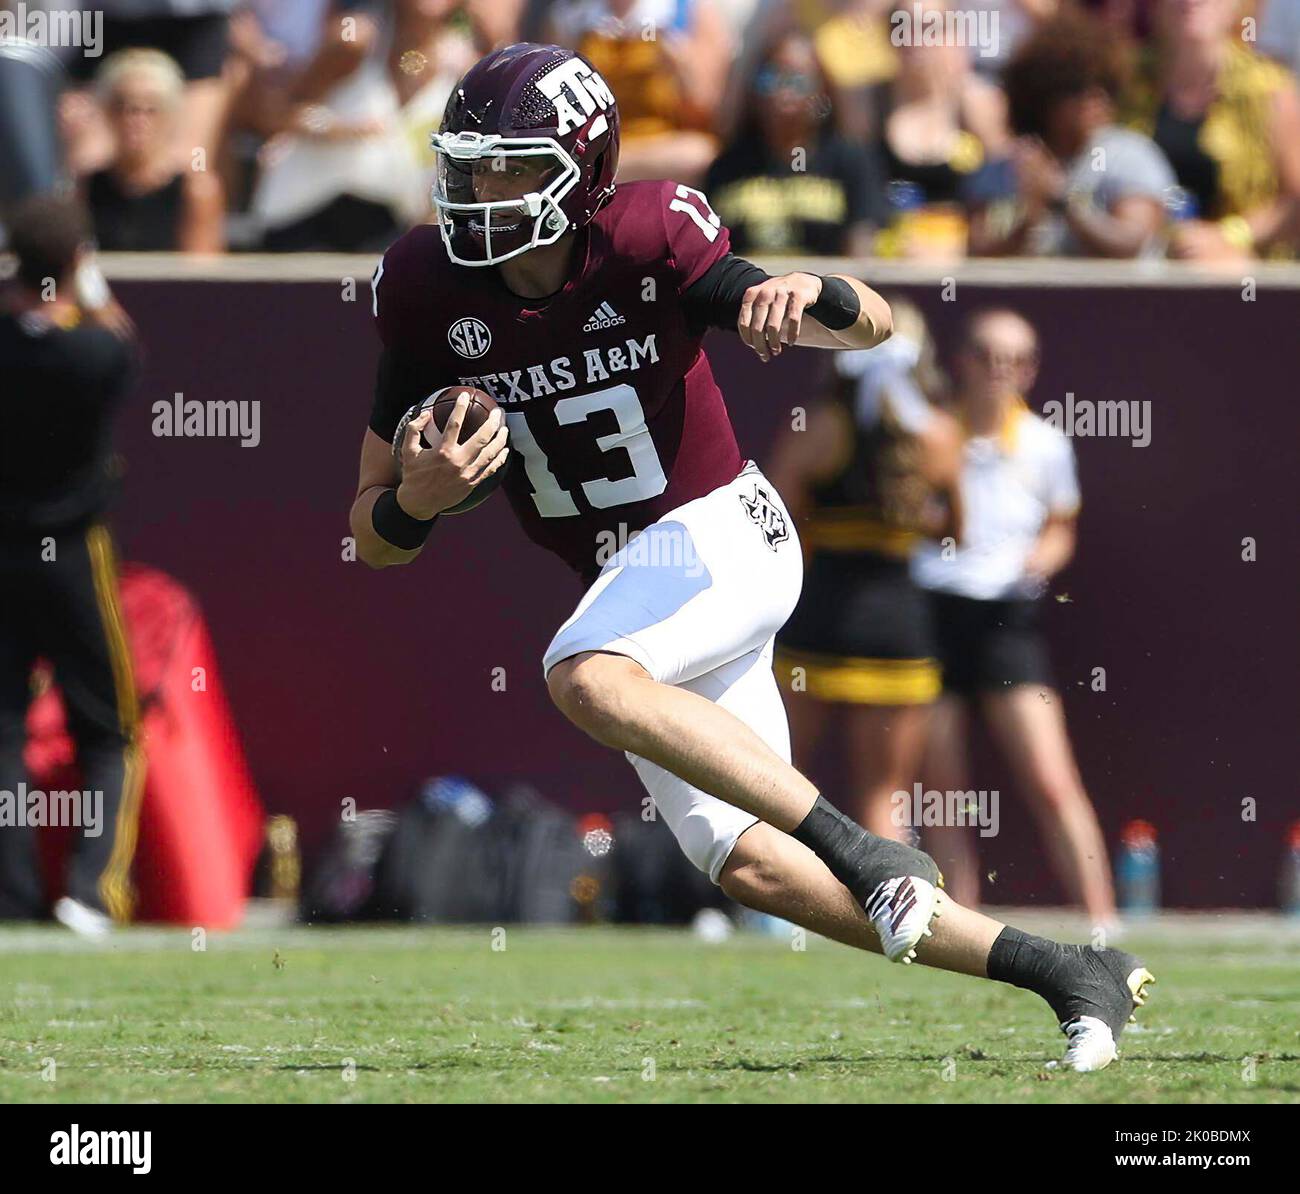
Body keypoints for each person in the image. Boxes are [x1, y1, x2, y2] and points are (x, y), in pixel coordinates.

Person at [350, 42, 1153, 1070]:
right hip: (634, 588)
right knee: (750, 867)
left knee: (585, 676)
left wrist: (810, 287)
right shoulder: (423, 286)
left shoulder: (647, 235)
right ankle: (1067, 972)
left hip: (725, 530)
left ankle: (861, 849)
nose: (481, 192)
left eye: (511, 167)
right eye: (470, 167)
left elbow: (862, 327)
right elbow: (370, 535)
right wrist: (414, 505)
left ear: (580, 169)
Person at [912, 309, 1118, 929]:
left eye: (1016, 359)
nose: (1001, 371)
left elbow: (1061, 529)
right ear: (961, 361)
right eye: (987, 355)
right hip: (929, 614)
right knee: (941, 792)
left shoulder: (1046, 445)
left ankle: (1103, 922)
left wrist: (1036, 565)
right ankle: (962, 925)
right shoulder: (929, 433)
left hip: (1007, 619)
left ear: (1031, 369)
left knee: (1053, 778)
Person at [0, 195, 144, 937]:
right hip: (72, 556)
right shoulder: (97, 352)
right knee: (111, 729)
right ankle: (91, 891)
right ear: (77, 263)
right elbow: (116, 336)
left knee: (3, 726)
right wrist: (84, 286)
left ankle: (12, 898)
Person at [767, 299, 962, 841]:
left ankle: (769, 909)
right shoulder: (942, 434)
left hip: (818, 615)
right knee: (885, 795)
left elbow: (777, 523)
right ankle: (893, 913)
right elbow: (957, 533)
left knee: (781, 775)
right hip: (897, 623)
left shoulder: (815, 427)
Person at [966, 10, 1175, 258]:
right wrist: (1029, 222)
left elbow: (1130, 245)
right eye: (1078, 88)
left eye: (1104, 86)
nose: (1096, 98)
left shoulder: (1130, 155)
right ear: (1044, 96)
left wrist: (1059, 199)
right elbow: (978, 254)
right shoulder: (1001, 169)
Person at [1121, 0, 1300, 261]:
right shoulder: (1124, 81)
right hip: (1139, 271)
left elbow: (1294, 201)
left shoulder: (1271, 91)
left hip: (1240, 280)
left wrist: (1229, 236)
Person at [703, 29, 888, 256]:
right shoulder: (728, 166)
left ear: (822, 93)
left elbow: (862, 248)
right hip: (747, 289)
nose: (782, 92)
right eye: (770, 79)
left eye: (797, 81)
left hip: (824, 289)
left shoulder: (850, 161)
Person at [546, 0, 732, 185]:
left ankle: (604, 177)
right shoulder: (571, 14)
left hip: (659, 143)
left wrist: (677, 60)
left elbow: (707, 111)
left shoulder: (684, 10)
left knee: (696, 155)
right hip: (595, 144)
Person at [85, 49, 224, 253]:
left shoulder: (195, 191)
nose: (136, 120)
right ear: (106, 112)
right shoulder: (86, 187)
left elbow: (202, 276)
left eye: (151, 109)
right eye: (123, 106)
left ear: (171, 114)